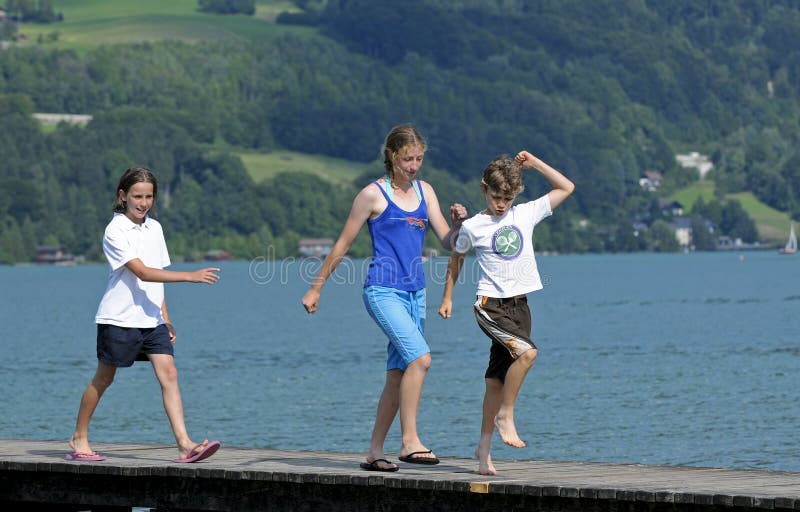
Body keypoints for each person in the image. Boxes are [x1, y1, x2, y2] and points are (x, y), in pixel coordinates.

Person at [302, 124, 467, 472]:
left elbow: (448, 242)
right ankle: (410, 442)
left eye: (419, 158)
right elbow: (342, 244)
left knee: (399, 371)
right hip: (381, 291)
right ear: (392, 156)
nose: (414, 165)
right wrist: (317, 287)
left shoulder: (426, 192)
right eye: (408, 159)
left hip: (415, 293)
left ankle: (375, 451)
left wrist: (460, 226)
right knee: (421, 360)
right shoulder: (372, 195)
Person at [67, 167, 222, 463]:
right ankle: (79, 436)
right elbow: (141, 272)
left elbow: (159, 277)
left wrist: (165, 317)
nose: (143, 202)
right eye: (137, 196)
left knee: (170, 374)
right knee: (104, 379)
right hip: (119, 319)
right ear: (122, 196)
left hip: (152, 321)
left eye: (149, 196)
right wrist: (191, 276)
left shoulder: (156, 229)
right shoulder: (115, 231)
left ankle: (184, 444)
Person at [438, 150, 574, 475]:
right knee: (527, 354)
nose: (501, 204)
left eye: (508, 198)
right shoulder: (474, 226)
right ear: (484, 189)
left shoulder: (524, 214)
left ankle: (483, 450)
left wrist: (536, 164)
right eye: (496, 197)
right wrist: (447, 297)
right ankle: (506, 415)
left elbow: (566, 187)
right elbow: (456, 259)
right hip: (490, 307)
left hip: (520, 307)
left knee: (495, 382)